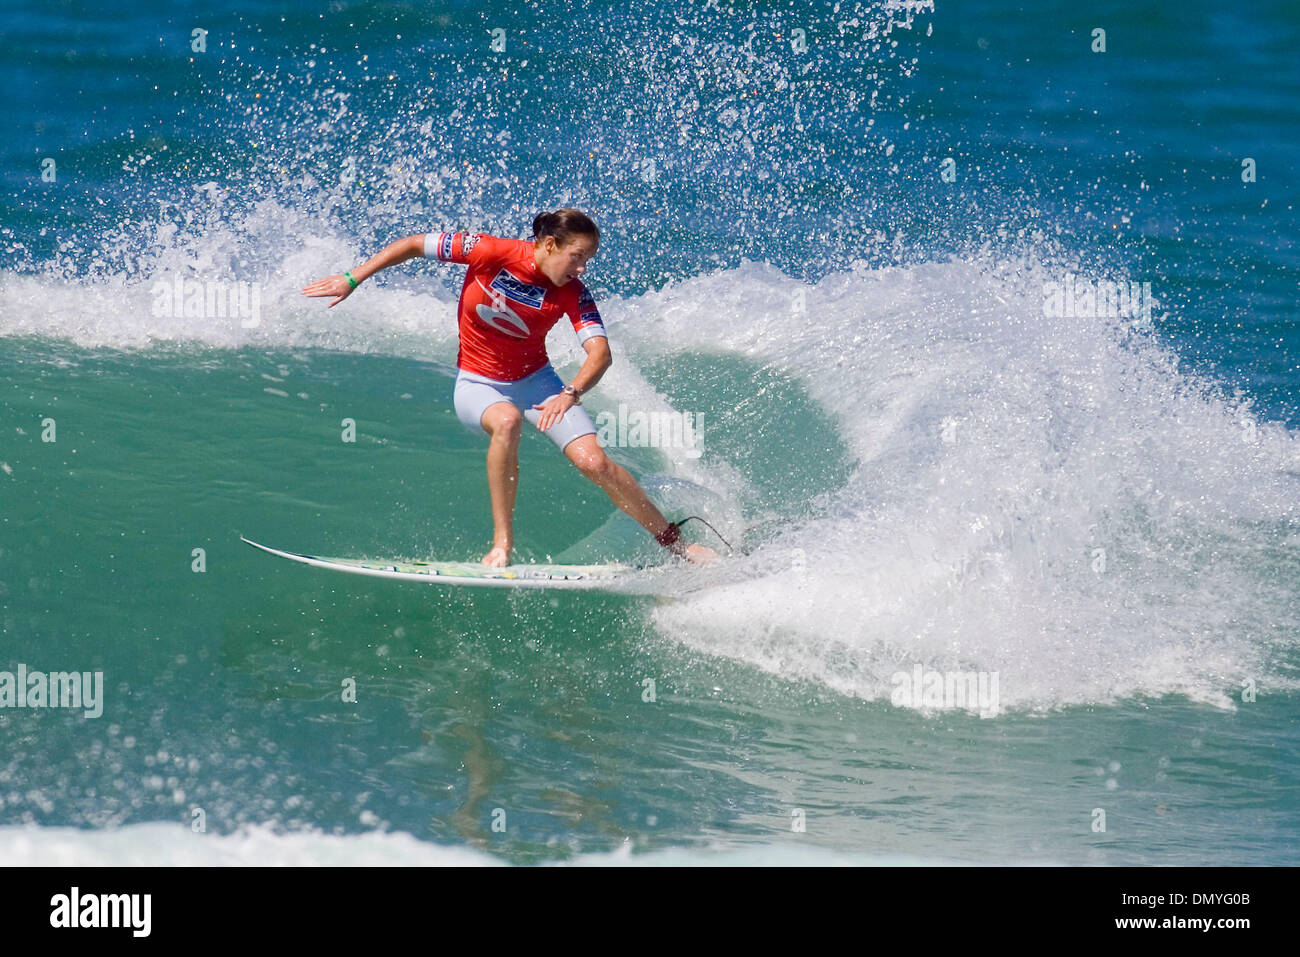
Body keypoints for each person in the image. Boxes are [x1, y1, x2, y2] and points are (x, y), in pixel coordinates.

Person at [302, 208, 716, 567]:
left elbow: (600, 354)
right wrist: (353, 277)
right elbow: (413, 244)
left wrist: (570, 393)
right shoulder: (488, 251)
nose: (583, 268)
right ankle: (502, 543)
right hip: (477, 384)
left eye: (589, 259)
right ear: (550, 244)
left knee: (595, 464)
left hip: (539, 383)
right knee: (507, 420)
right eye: (578, 256)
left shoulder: (572, 293)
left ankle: (677, 545)